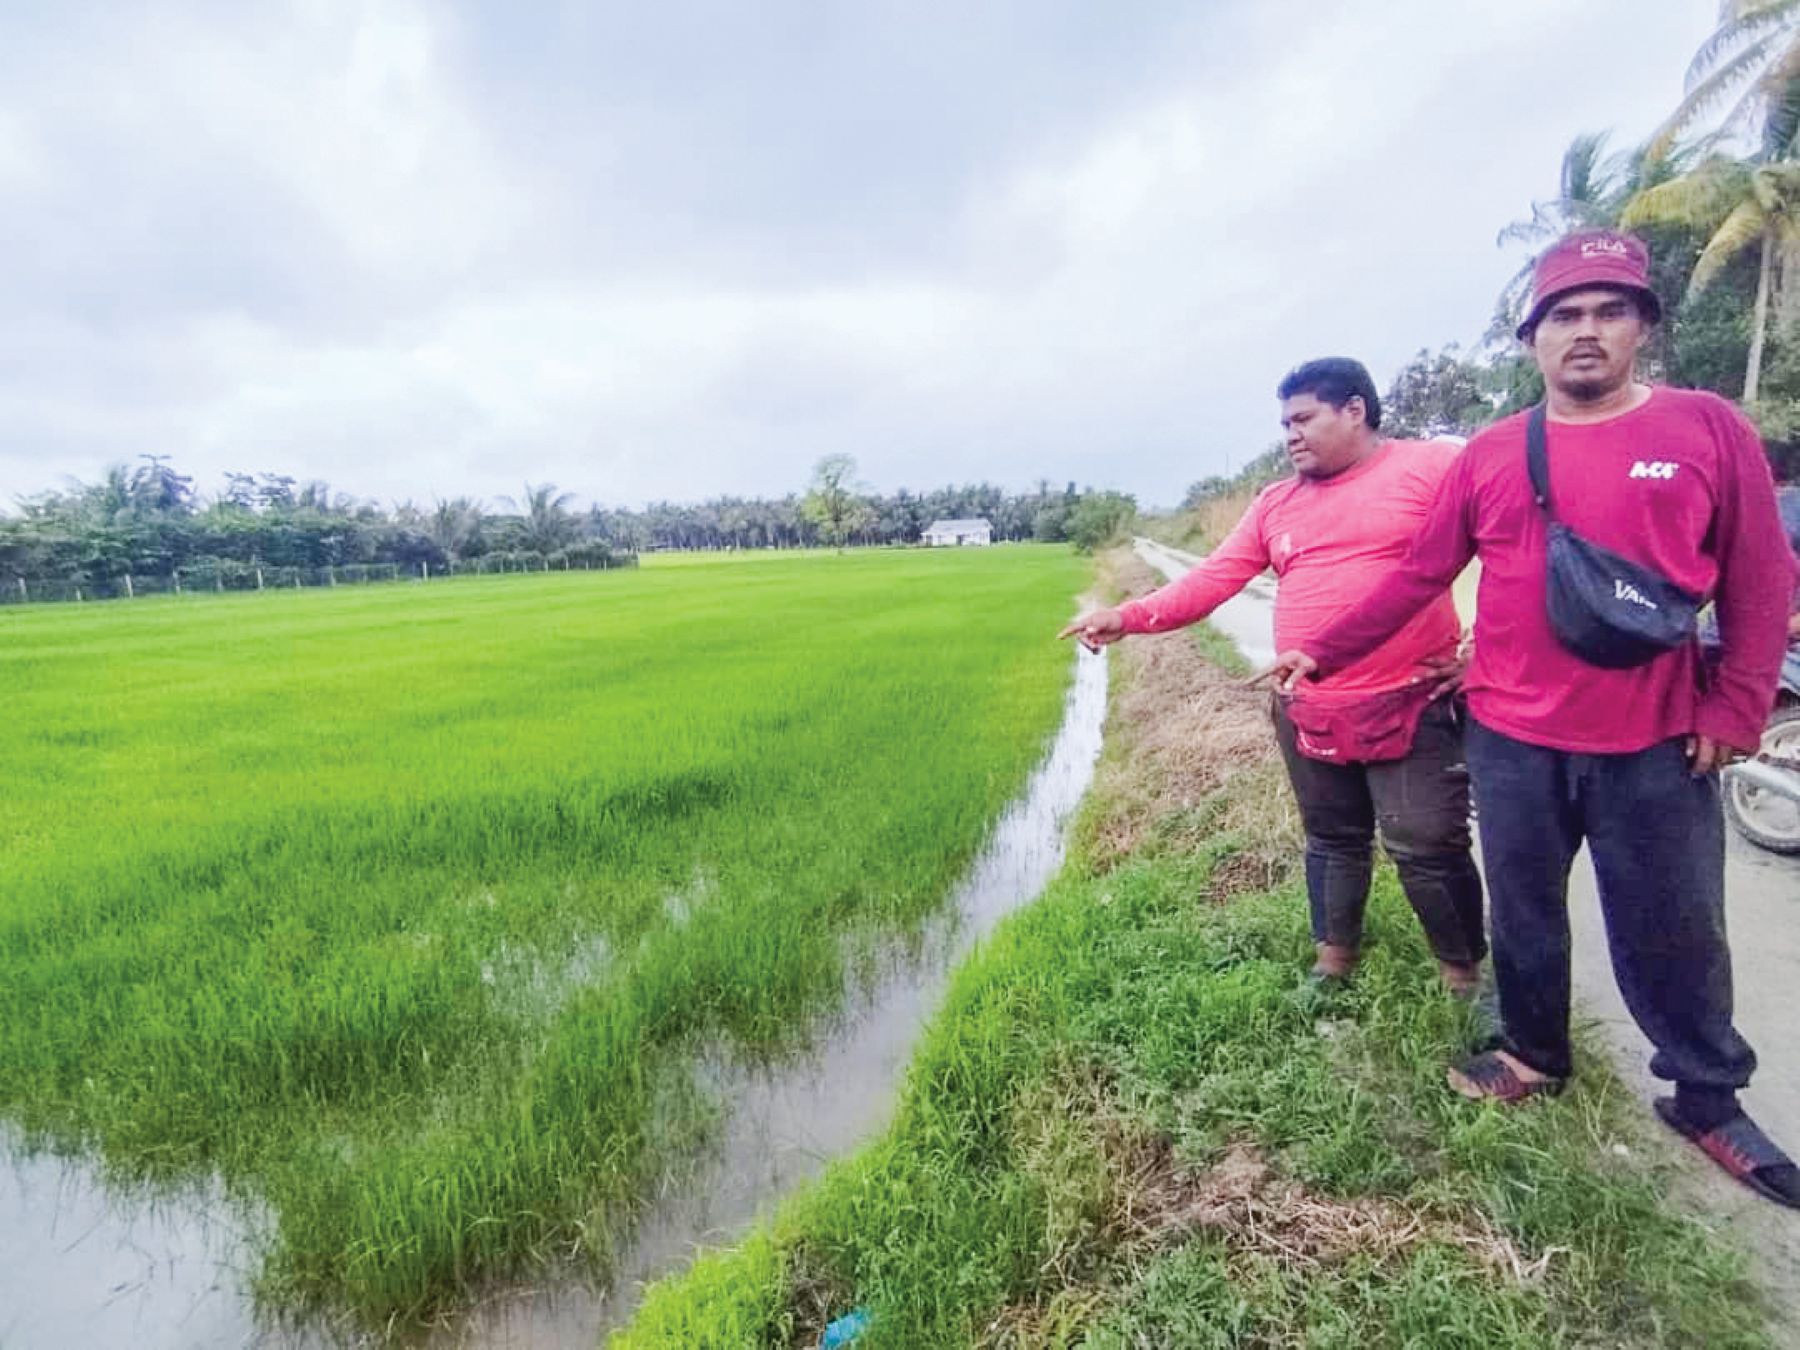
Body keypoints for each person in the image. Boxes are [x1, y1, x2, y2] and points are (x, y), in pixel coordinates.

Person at [1267, 230, 1800, 1209]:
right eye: (1565, 314)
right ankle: (1533, 1054)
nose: (1586, 331)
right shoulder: (1495, 453)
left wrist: (1737, 703)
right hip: (1511, 736)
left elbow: (1764, 579)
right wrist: (1326, 646)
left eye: (1609, 310)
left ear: (1642, 325)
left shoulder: (1708, 429)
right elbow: (1423, 572)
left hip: (1656, 738)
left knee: (1675, 925)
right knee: (1522, 909)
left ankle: (1707, 1097)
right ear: (1533, 337)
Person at [1060, 358, 1487, 995]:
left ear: (1355, 411)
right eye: (1284, 422)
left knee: (1426, 843)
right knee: (1333, 839)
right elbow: (1213, 580)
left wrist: (1485, 651)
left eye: (1303, 418)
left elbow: (1514, 550)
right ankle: (1333, 963)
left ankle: (1466, 981)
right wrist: (1127, 616)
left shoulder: (1430, 468)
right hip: (1307, 703)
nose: (1289, 434)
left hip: (1412, 699)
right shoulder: (1276, 502)